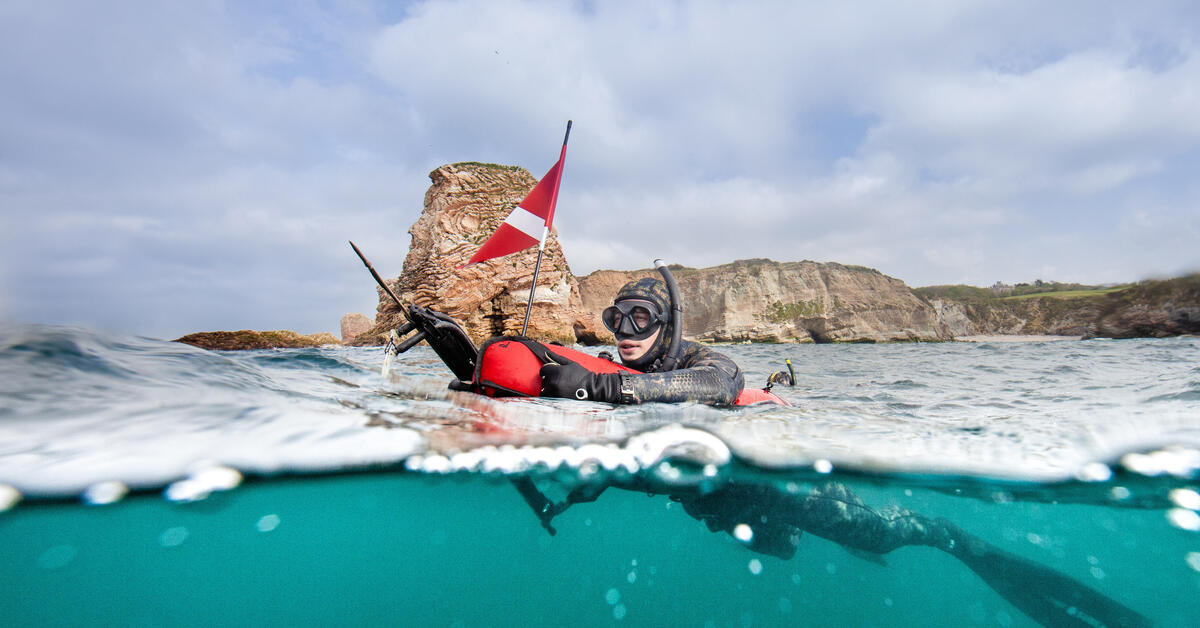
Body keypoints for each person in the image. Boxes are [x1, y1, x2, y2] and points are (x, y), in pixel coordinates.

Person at [539, 277, 745, 405]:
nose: (625, 331)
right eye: (617, 319)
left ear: (666, 326)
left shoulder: (695, 357)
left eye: (640, 318)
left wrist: (603, 387)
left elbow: (722, 382)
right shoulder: (617, 365)